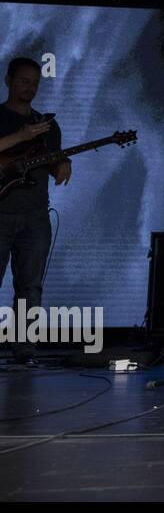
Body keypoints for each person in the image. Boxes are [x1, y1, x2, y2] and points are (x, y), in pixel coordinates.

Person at [0, 57, 69, 367]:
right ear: (8, 81)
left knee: (29, 285)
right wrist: (20, 136)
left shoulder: (48, 124)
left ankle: (24, 348)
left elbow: (52, 160)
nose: (30, 87)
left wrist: (63, 164)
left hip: (36, 216)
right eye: (24, 81)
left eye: (35, 82)